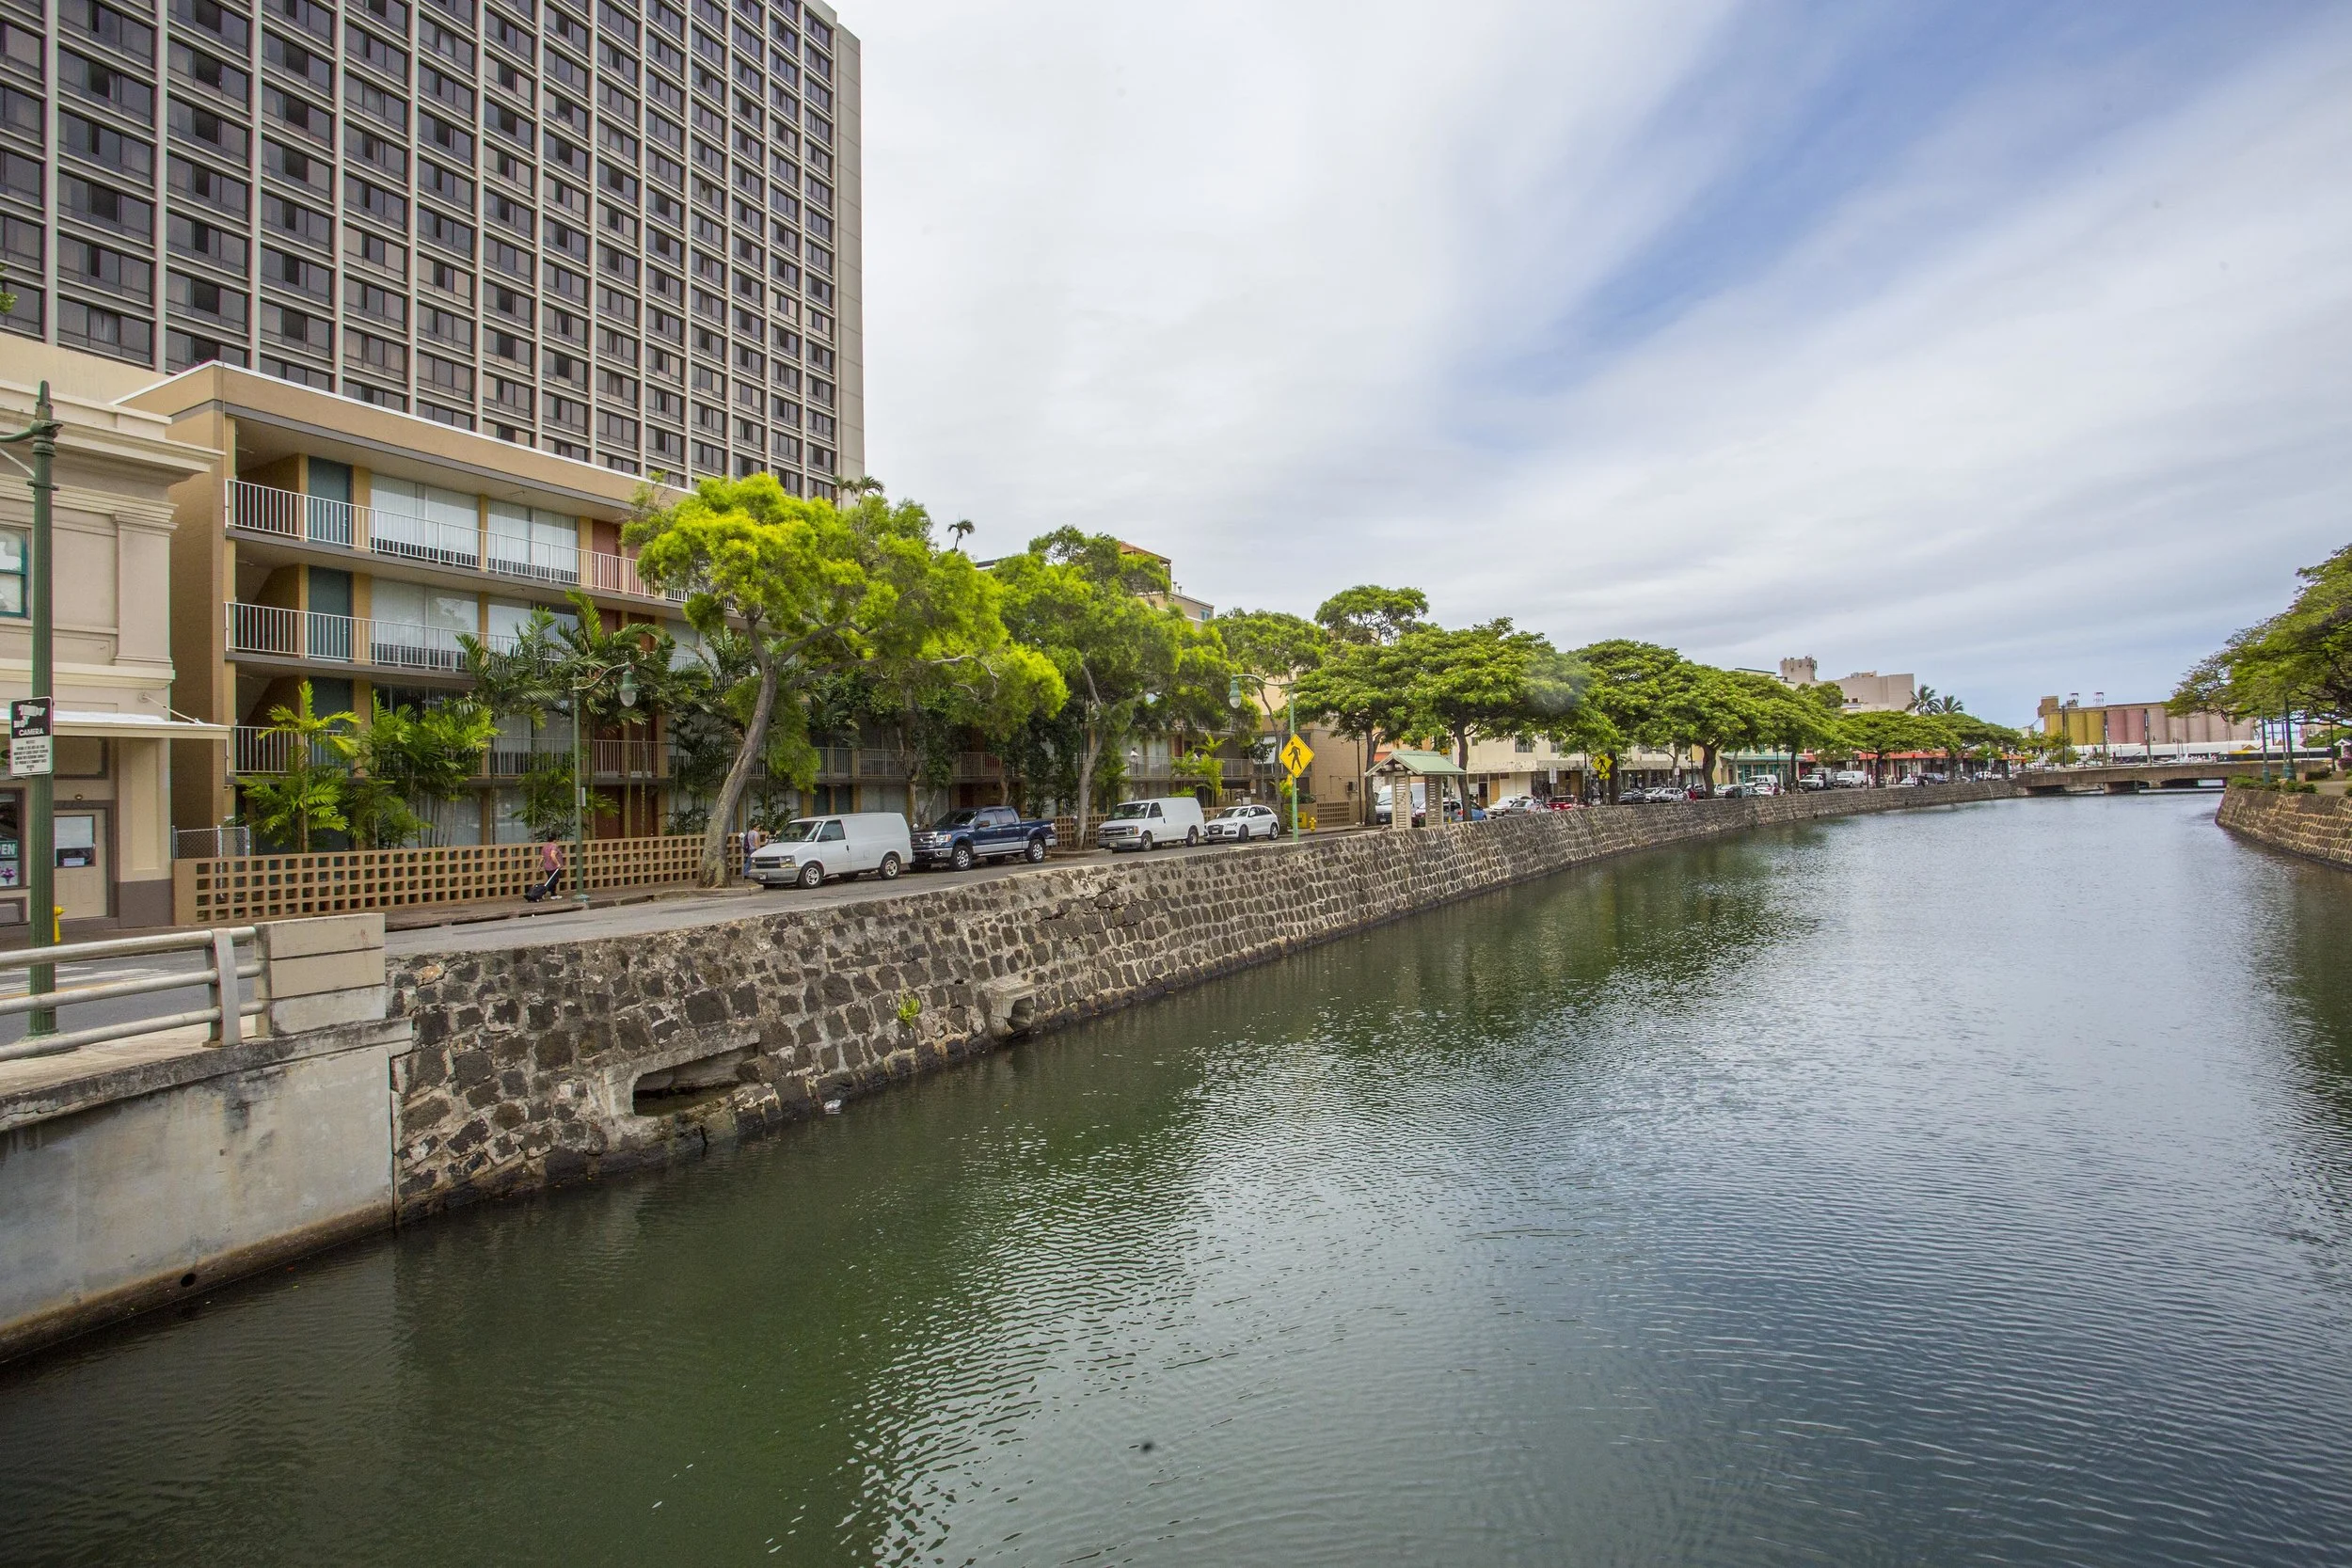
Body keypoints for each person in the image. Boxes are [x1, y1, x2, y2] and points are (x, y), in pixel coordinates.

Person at [525, 837, 564, 902]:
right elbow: (552, 855)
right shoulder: (554, 846)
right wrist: (558, 864)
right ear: (554, 840)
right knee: (554, 880)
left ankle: (553, 894)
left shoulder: (545, 847)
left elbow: (542, 857)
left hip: (547, 866)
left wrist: (539, 865)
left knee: (551, 880)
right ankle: (542, 892)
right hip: (554, 867)